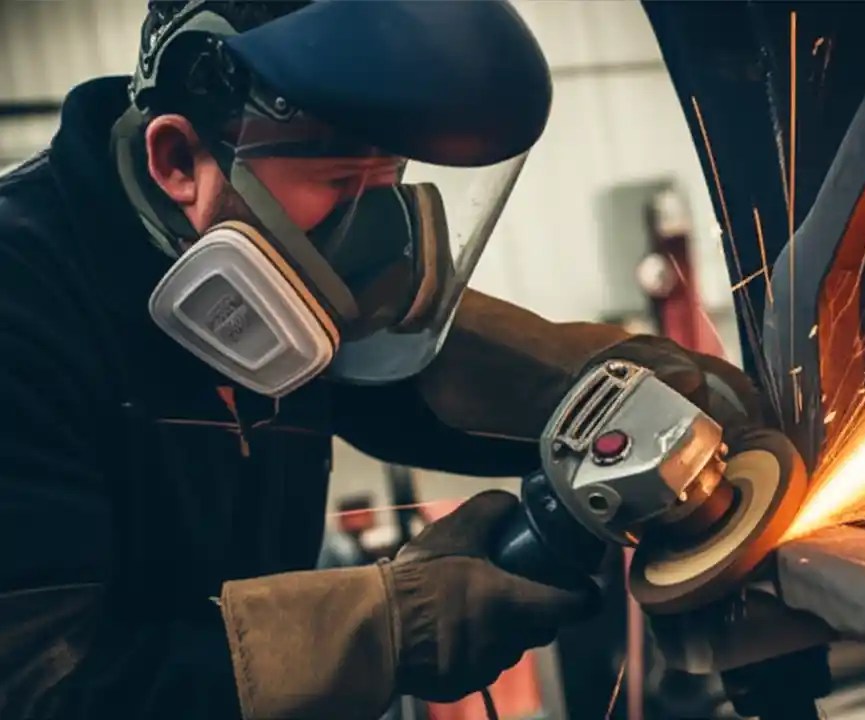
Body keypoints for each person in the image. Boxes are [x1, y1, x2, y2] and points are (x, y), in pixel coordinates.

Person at [0, 2, 768, 718]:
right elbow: (41, 685)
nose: (369, 232)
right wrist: (388, 628)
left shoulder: (266, 266)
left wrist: (670, 390)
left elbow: (426, 377)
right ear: (177, 161)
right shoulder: (25, 304)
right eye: (341, 183)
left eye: (387, 178)